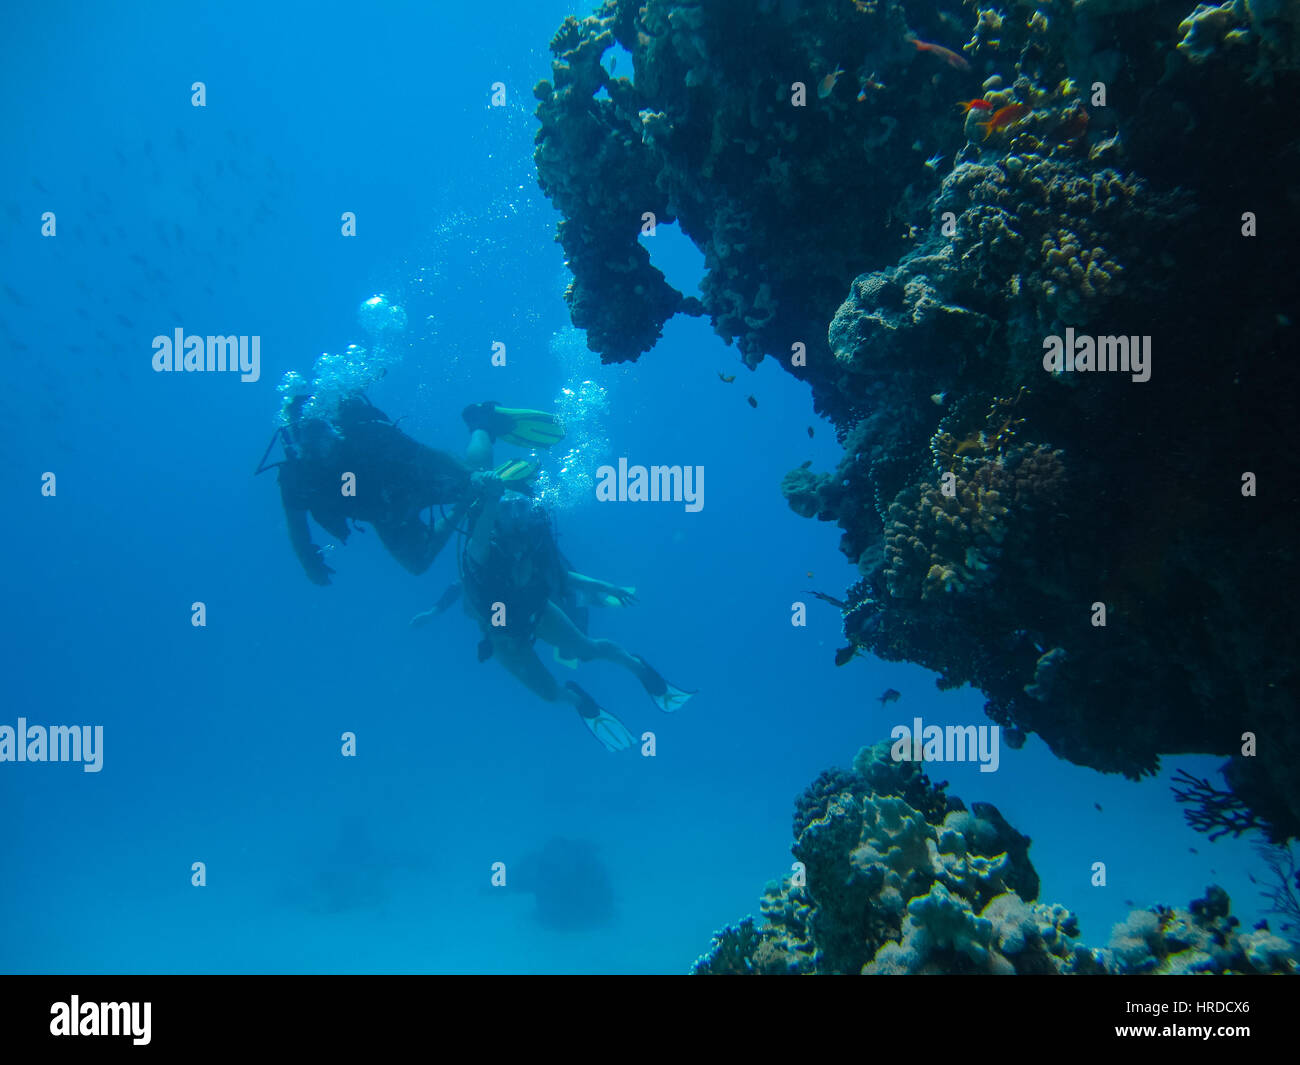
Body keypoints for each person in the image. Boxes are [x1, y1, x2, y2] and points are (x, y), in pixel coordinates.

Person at [456, 477, 694, 751]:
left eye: (521, 507)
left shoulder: (535, 544)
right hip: (504, 638)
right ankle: (580, 701)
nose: (516, 516)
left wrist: (606, 586)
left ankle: (638, 667)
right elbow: (479, 543)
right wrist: (491, 499)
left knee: (588, 648)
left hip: (539, 612)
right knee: (549, 693)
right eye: (507, 508)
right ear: (496, 513)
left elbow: (560, 575)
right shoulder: (483, 547)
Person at [258, 395, 560, 585]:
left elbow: (430, 456)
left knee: (480, 486)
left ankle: (481, 423)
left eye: (322, 435)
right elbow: (297, 527)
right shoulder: (296, 476)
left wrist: (473, 478)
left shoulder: (367, 435)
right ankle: (466, 501)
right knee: (417, 563)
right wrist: (309, 561)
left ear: (331, 427)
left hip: (415, 481)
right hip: (384, 513)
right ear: (296, 446)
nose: (321, 448)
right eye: (309, 442)